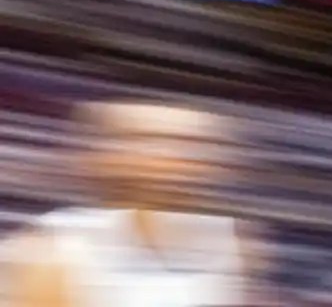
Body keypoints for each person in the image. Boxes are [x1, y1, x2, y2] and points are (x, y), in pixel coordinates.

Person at [2, 100, 268, 307]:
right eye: (153, 142)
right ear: (107, 157)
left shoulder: (233, 240)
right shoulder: (53, 246)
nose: (180, 157)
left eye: (199, 144)